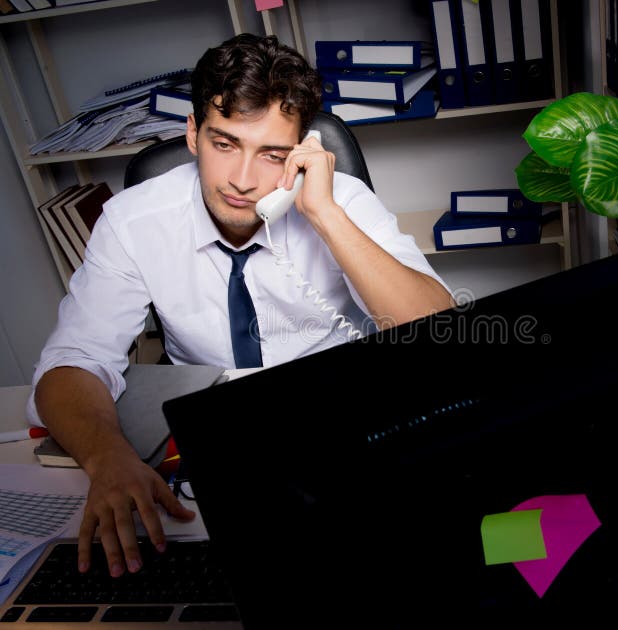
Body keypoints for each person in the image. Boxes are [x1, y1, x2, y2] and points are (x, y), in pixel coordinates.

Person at [28, 33, 454, 578]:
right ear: (192, 134)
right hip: (213, 444)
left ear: (303, 152)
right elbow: (72, 361)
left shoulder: (340, 201)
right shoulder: (133, 221)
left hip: (337, 427)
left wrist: (324, 216)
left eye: (271, 155)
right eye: (224, 144)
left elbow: (439, 334)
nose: (242, 181)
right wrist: (106, 457)